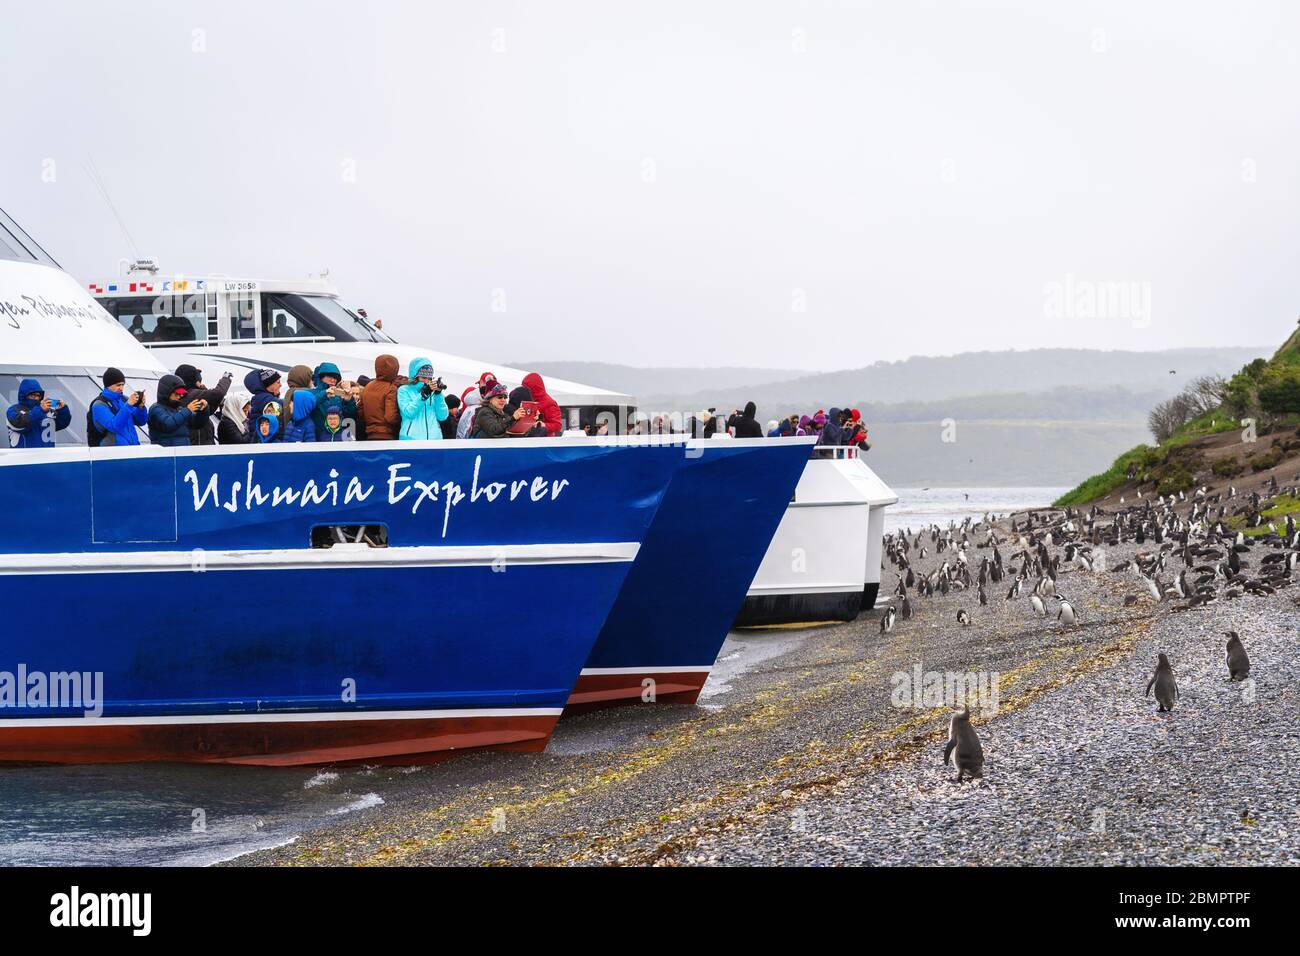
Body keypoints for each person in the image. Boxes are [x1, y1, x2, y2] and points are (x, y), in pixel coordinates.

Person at [88, 367, 148, 447]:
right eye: (118, 385)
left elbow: (141, 421)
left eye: (123, 385)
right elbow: (114, 426)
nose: (121, 388)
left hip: (133, 449)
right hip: (112, 454)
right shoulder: (99, 405)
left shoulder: (124, 400)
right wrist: (128, 406)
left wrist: (140, 408)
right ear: (108, 385)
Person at [5, 377, 71, 448]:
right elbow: (21, 423)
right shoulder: (13, 410)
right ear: (24, 395)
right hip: (23, 457)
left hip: (48, 457)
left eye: (38, 395)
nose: (36, 398)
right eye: (32, 395)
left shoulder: (46, 411)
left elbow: (63, 423)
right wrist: (41, 409)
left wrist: (62, 410)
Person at [175, 364, 232, 446]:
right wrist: (225, 379)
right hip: (198, 447)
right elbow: (218, 394)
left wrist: (204, 390)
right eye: (198, 380)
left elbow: (210, 409)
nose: (200, 382)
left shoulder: (189, 395)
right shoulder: (191, 394)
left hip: (200, 445)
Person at [397, 357, 449, 440]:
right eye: (423, 378)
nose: (426, 381)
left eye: (429, 378)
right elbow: (409, 412)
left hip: (434, 440)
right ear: (415, 376)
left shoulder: (432, 391)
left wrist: (438, 394)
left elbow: (442, 416)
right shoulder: (404, 390)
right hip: (411, 440)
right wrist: (424, 394)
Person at [148, 374, 206, 446]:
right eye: (177, 393)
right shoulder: (156, 409)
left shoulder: (179, 409)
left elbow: (197, 424)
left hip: (182, 453)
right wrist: (188, 410)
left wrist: (203, 411)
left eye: (182, 394)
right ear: (167, 392)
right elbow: (168, 424)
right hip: (165, 454)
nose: (180, 396)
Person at [359, 354, 404, 441]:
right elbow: (390, 417)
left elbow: (360, 411)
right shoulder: (391, 388)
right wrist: (400, 419)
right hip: (387, 435)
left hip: (370, 434)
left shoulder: (368, 386)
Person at [309, 362, 358, 437]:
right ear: (321, 377)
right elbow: (308, 406)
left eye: (335, 377)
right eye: (330, 376)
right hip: (316, 438)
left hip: (336, 439)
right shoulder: (311, 393)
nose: (333, 380)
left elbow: (349, 418)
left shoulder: (339, 396)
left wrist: (349, 401)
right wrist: (324, 394)